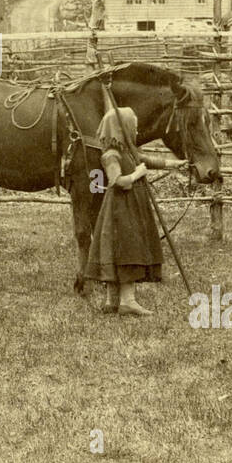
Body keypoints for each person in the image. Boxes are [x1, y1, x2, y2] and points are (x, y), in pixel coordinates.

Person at [83, 106, 170, 316]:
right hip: (120, 210)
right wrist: (137, 175)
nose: (137, 130)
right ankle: (127, 301)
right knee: (126, 249)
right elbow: (117, 181)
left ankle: (114, 302)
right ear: (122, 128)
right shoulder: (111, 155)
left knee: (126, 247)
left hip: (131, 206)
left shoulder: (127, 151)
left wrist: (174, 164)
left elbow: (147, 160)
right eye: (134, 125)